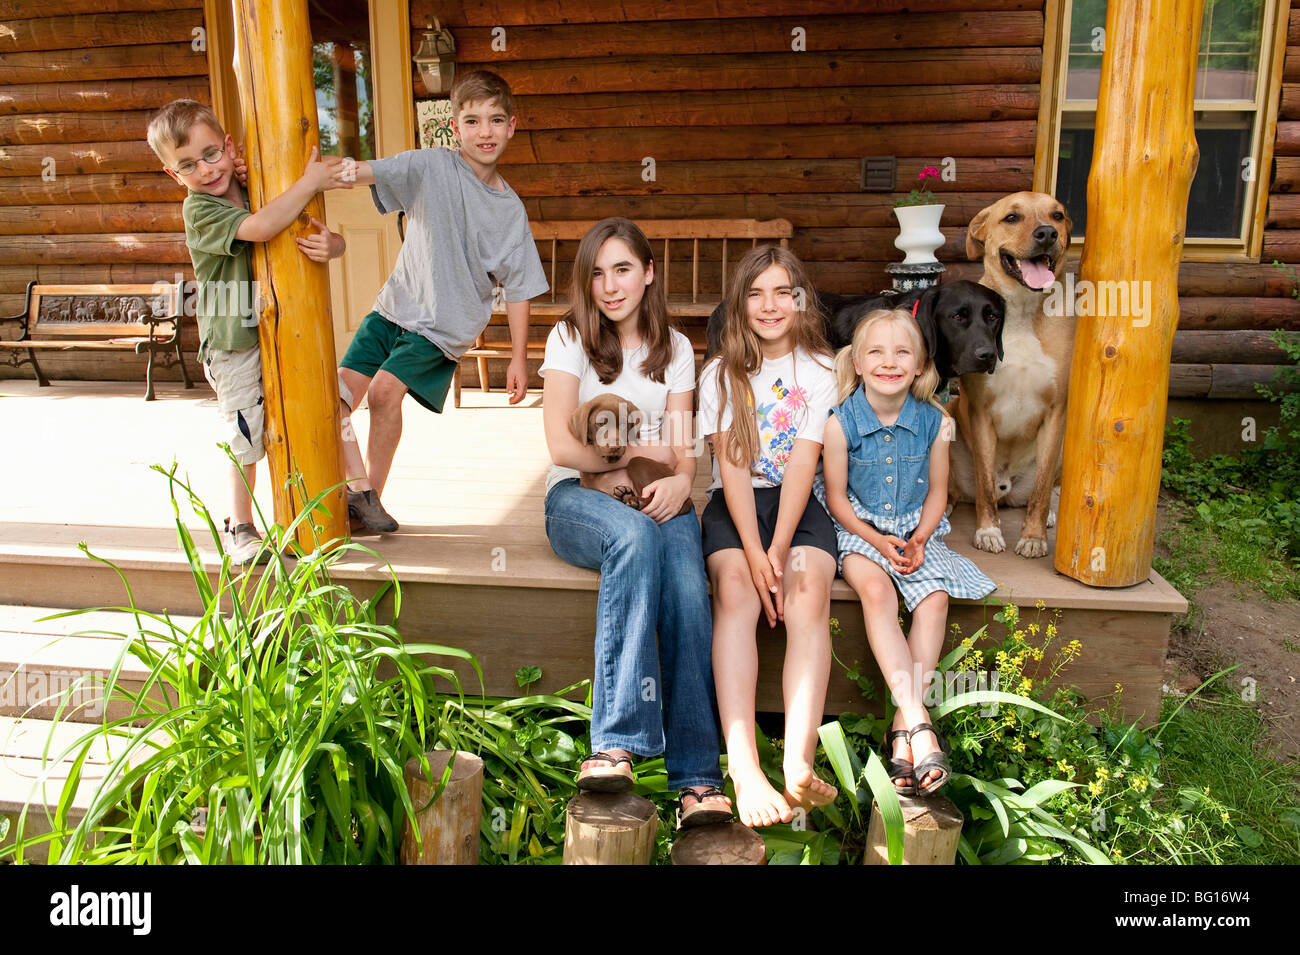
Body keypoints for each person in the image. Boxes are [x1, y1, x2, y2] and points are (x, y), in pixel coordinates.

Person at [541, 217, 731, 829]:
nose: (610, 285)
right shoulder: (569, 339)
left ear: (649, 273)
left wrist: (681, 480)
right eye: (597, 273)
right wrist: (619, 468)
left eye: (623, 269)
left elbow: (679, 445)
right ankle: (616, 741)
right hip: (578, 497)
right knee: (631, 535)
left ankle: (699, 778)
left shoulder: (673, 348)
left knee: (683, 578)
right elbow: (560, 448)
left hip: (658, 489)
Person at [325, 70, 548, 533]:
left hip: (446, 324)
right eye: (472, 121)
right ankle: (357, 492)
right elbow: (363, 171)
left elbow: (521, 288)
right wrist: (316, 174)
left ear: (512, 126)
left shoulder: (510, 211)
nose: (483, 132)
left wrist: (519, 358)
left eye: (495, 120)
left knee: (386, 393)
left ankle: (370, 499)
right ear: (454, 126)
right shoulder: (430, 166)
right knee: (338, 396)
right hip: (395, 306)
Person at [146, 99, 348, 564]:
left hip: (280, 327)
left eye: (212, 153)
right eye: (188, 165)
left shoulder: (254, 182)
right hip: (234, 341)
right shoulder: (198, 210)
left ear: (229, 146)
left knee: (318, 404)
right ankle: (240, 525)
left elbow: (307, 228)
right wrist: (310, 181)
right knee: (247, 431)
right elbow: (260, 228)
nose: (206, 169)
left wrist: (333, 244)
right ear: (174, 175)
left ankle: (345, 496)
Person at [814, 306, 996, 796]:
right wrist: (875, 540)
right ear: (856, 363)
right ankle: (920, 716)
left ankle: (902, 731)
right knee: (877, 593)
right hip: (858, 528)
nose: (888, 361)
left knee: (933, 596)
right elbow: (835, 498)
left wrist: (918, 538)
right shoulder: (839, 423)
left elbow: (939, 492)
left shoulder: (936, 422)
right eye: (876, 351)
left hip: (917, 530)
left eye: (902, 352)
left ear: (920, 365)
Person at [698, 245, 841, 828]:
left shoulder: (823, 370)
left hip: (797, 505)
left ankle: (798, 760)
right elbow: (731, 463)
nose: (769, 305)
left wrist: (780, 550)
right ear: (739, 305)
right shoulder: (720, 373)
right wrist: (756, 555)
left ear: (801, 299)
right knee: (736, 590)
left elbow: (805, 462)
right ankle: (743, 762)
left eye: (783, 291)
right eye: (755, 294)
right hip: (734, 503)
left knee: (807, 592)